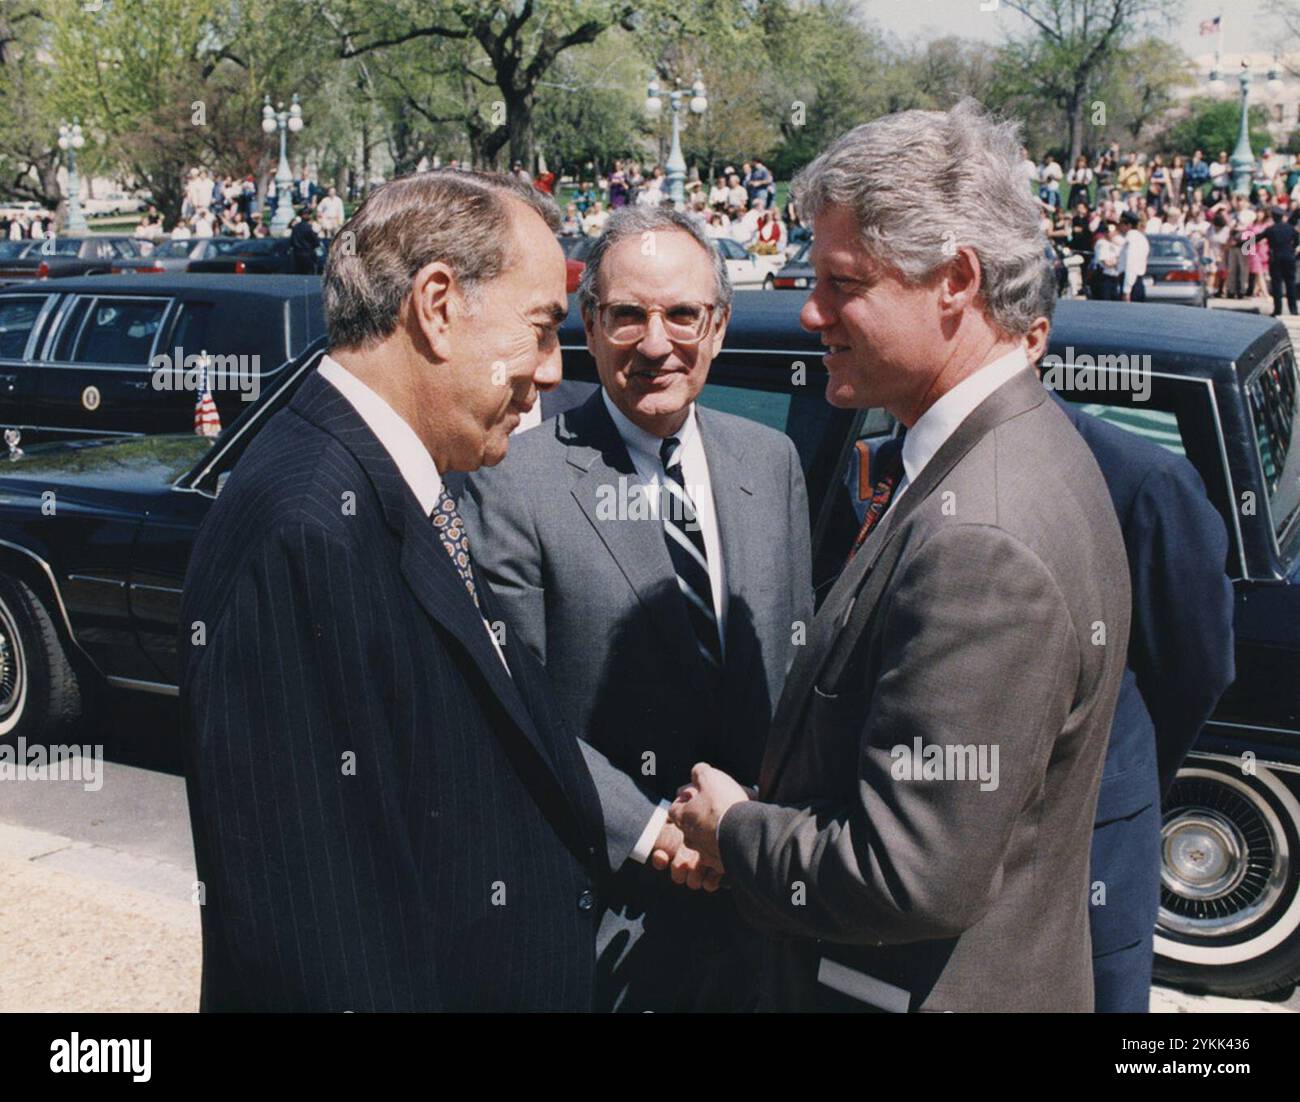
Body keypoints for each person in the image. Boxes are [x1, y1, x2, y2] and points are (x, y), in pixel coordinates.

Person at [669, 100, 1130, 1012]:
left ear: (954, 280)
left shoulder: (980, 539)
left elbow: (912, 875)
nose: (811, 312)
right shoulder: (1008, 450)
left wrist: (736, 833)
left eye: (844, 283)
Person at [179, 169, 608, 1011]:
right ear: (438, 305)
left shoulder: (385, 484)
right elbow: (320, 940)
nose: (555, 372)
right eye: (541, 329)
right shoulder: (305, 530)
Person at [463, 206, 813, 1012]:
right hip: (612, 917)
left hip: (760, 915)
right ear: (588, 326)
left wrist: (763, 837)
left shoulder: (772, 460)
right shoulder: (514, 479)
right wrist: (654, 831)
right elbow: (517, 708)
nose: (657, 344)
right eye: (628, 316)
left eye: (682, 314)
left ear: (717, 326)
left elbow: (790, 675)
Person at [1025, 265, 1235, 1012]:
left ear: (1030, 341)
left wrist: (1121, 782)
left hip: (1092, 854)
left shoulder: (1144, 481)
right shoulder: (899, 462)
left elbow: (1196, 669)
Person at [1262, 205, 1299, 315]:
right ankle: (1293, 309)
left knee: (1276, 284)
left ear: (1273, 217)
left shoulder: (1270, 229)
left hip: (1275, 258)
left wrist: (1243, 244)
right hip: (1289, 257)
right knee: (1290, 283)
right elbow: (1296, 240)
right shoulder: (1290, 228)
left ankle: (1277, 309)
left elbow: (1257, 238)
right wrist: (1292, 250)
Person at [1117, 210, 1149, 302]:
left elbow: (1131, 266)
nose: (1120, 226)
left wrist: (1126, 291)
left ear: (1129, 225)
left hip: (1131, 285)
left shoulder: (1132, 239)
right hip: (1135, 283)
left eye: (1122, 224)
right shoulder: (1141, 237)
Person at [289, 206, 321, 273]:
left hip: (296, 254)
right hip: (308, 254)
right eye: (308, 214)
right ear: (305, 215)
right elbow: (316, 242)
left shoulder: (295, 228)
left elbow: (291, 242)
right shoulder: (308, 228)